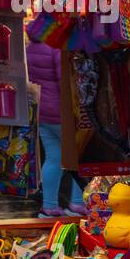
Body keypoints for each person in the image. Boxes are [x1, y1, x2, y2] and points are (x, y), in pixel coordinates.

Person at [26, 41, 86, 217]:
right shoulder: (56, 48)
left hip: (43, 111)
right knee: (79, 158)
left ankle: (50, 206)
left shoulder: (31, 47)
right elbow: (65, 81)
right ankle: (77, 203)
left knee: (54, 158)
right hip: (62, 112)